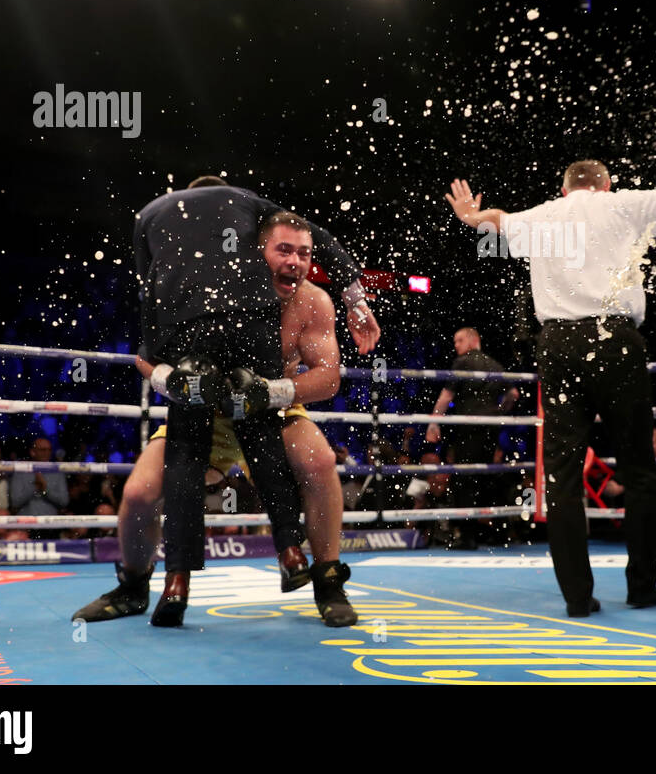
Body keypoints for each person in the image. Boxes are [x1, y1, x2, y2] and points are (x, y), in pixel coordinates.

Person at [444, 127, 656, 617]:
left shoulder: (543, 215)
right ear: (605, 186)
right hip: (615, 342)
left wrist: (474, 217)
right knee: (638, 469)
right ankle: (643, 587)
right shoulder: (622, 205)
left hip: (559, 345)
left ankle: (577, 598)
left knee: (562, 476)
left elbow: (498, 221)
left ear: (565, 190)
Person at [76, 210, 369, 627]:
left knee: (319, 462)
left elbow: (328, 378)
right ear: (257, 251)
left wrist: (272, 391)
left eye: (304, 253)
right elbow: (147, 355)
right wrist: (171, 379)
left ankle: (327, 581)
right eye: (284, 250)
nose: (296, 262)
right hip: (203, 414)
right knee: (140, 493)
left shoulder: (312, 302)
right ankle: (133, 587)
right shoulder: (212, 287)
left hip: (271, 410)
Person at [425, 327, 519, 545]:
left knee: (466, 477)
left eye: (459, 340)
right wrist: (498, 411)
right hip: (491, 426)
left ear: (473, 340)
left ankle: (468, 536)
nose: (455, 345)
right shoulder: (495, 365)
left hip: (469, 426)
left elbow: (446, 395)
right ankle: (499, 532)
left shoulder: (462, 363)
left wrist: (433, 421)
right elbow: (513, 394)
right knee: (488, 476)